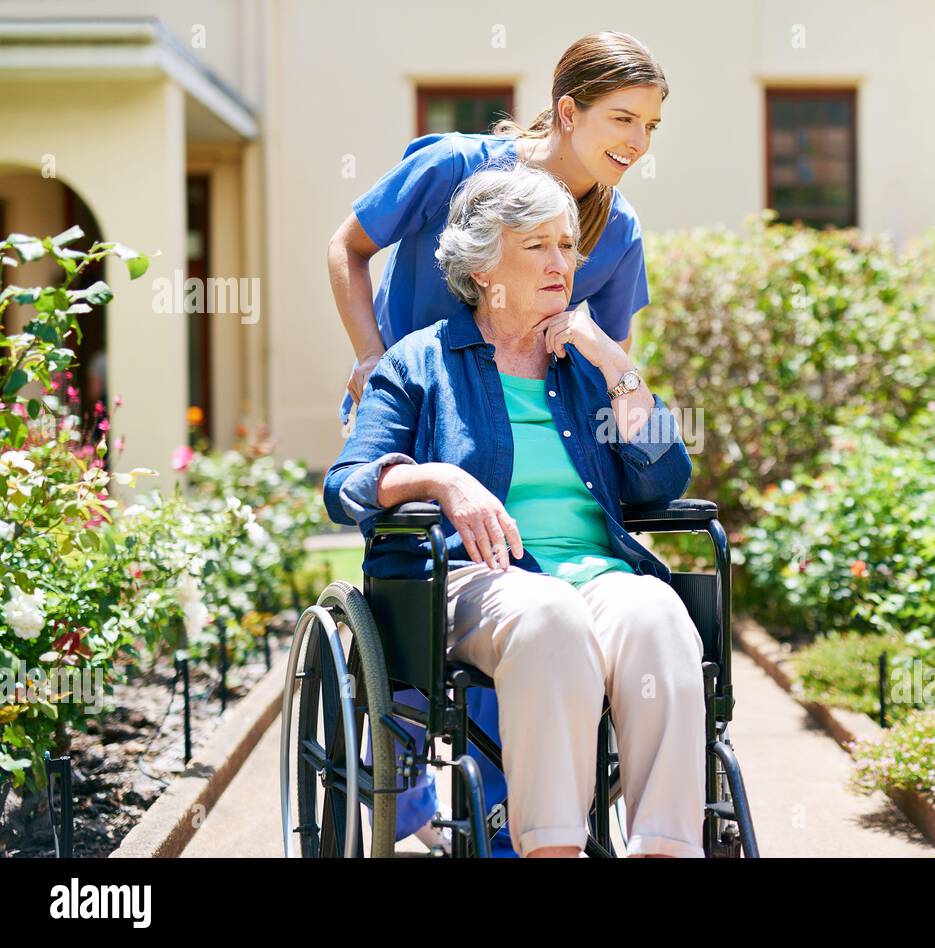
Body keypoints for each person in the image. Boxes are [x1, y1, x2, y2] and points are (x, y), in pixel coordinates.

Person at [326, 30, 668, 855]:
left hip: (515, 444)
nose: (637, 142)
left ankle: (514, 827)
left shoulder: (615, 235)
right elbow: (349, 247)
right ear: (566, 110)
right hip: (414, 414)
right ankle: (406, 770)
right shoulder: (453, 168)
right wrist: (372, 359)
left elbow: (587, 389)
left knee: (528, 598)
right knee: (424, 596)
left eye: (652, 126)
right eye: (622, 118)